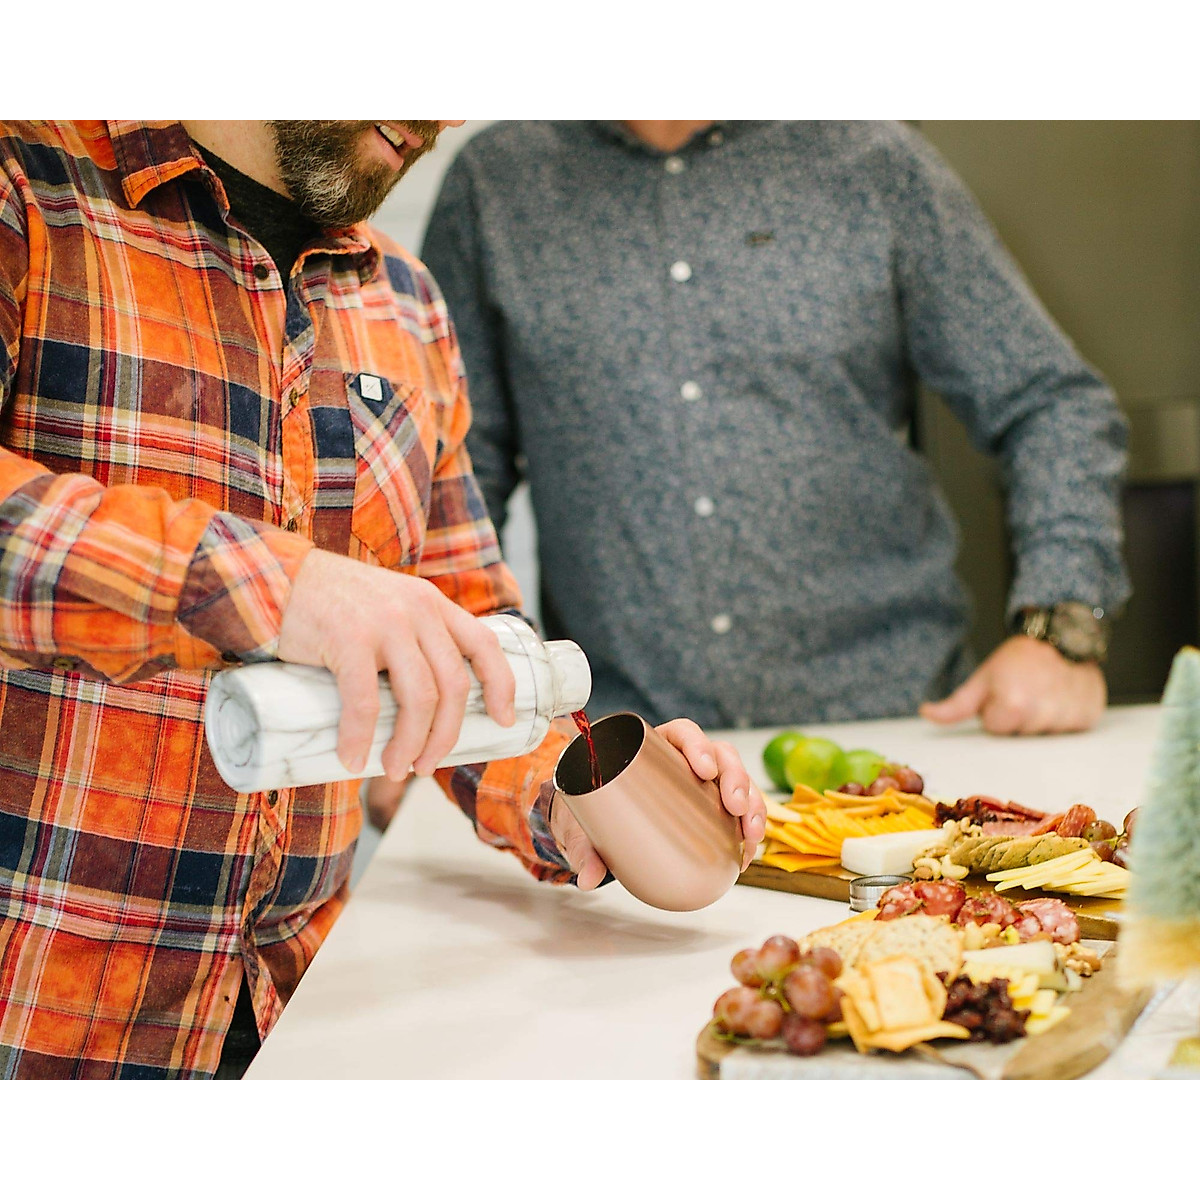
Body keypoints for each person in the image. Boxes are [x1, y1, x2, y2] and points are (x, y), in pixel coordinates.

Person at [0, 120, 765, 1079]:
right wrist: (280, 587)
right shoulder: (30, 187)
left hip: (303, 1017)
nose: (436, 116)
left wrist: (571, 804)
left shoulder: (403, 300)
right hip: (44, 1022)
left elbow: (470, 632)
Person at [421, 120, 1129, 740]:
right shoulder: (496, 184)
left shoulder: (873, 159)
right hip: (625, 755)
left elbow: (1050, 402)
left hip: (895, 726)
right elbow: (451, 472)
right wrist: (437, 691)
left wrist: (1060, 629)